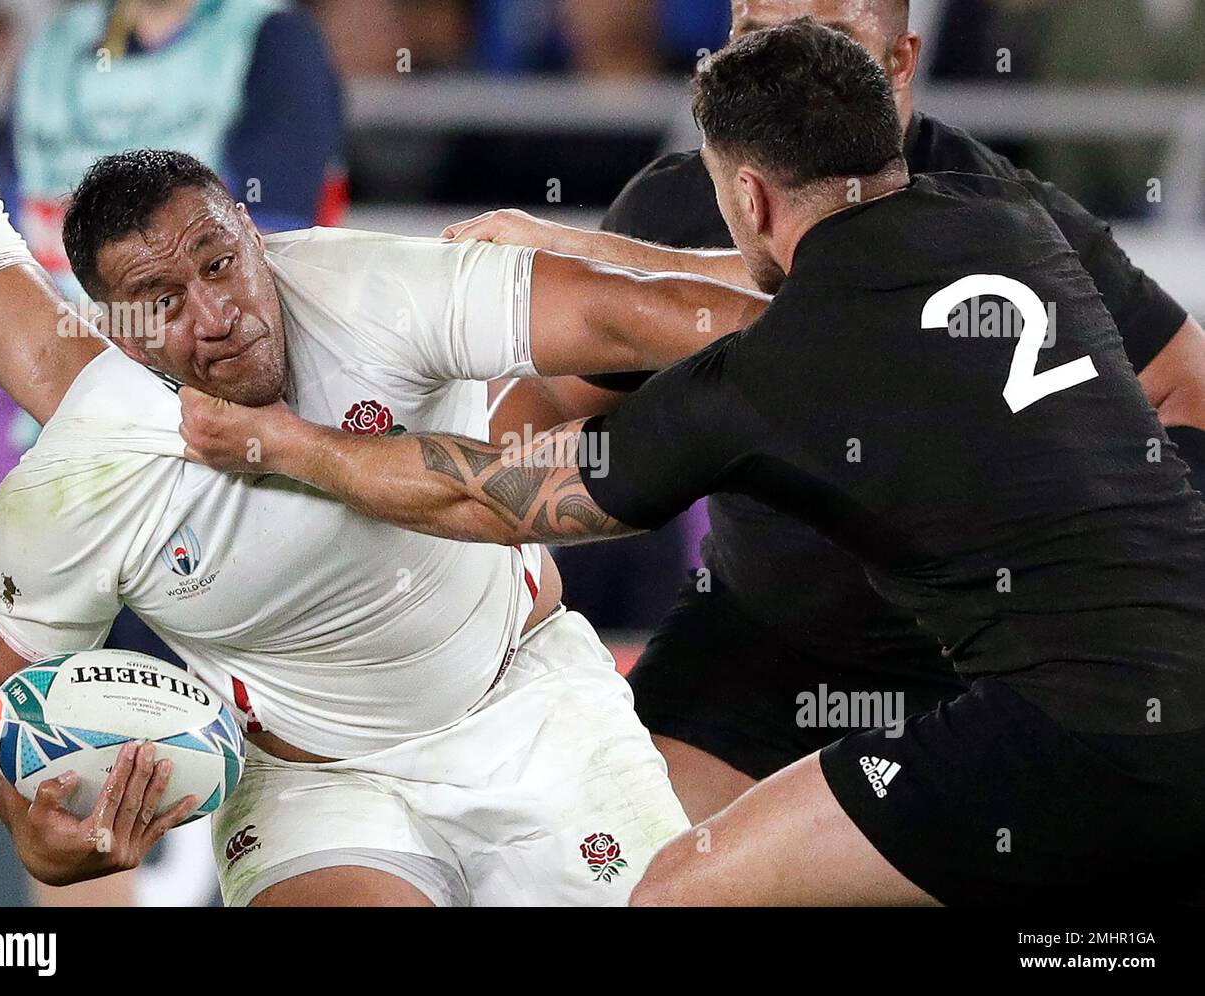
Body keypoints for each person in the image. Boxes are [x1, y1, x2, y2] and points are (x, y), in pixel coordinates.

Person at [176, 21, 1205, 905]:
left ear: (748, 196)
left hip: (1075, 730)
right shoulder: (1014, 222)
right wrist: (572, 247)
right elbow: (781, 272)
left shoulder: (766, 377)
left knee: (677, 889)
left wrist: (289, 444)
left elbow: (492, 501)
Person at [474, 0, 1205, 823]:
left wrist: (1139, 581)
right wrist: (501, 562)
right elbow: (559, 406)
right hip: (759, 639)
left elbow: (1186, 383)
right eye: (758, 43)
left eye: (829, 43)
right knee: (621, 856)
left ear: (900, 64)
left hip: (975, 665)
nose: (789, 77)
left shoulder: (1002, 212)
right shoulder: (681, 197)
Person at [0, 150, 767, 906]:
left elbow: (624, 314)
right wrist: (31, 831)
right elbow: (15, 700)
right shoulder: (75, 482)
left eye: (219, 264)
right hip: (314, 786)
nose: (215, 317)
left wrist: (830, 348)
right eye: (162, 301)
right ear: (114, 329)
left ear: (254, 235)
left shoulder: (372, 285)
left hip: (529, 701)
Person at [0, 0, 347, 293]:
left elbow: (273, 252)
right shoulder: (52, 48)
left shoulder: (274, 40)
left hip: (206, 350)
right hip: (50, 341)